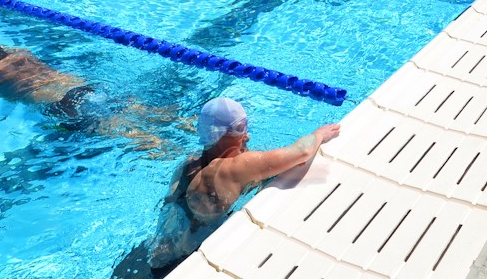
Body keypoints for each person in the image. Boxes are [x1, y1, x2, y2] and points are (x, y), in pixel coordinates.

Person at [144, 97, 340, 277]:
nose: (247, 136)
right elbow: (302, 151)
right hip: (181, 266)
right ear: (219, 135)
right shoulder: (232, 169)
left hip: (157, 257)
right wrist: (319, 134)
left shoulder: (187, 165)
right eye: (240, 128)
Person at [0, 30, 173, 150]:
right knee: (138, 109)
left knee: (122, 130)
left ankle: (166, 151)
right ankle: (185, 124)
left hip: (64, 103)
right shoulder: (20, 53)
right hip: (84, 84)